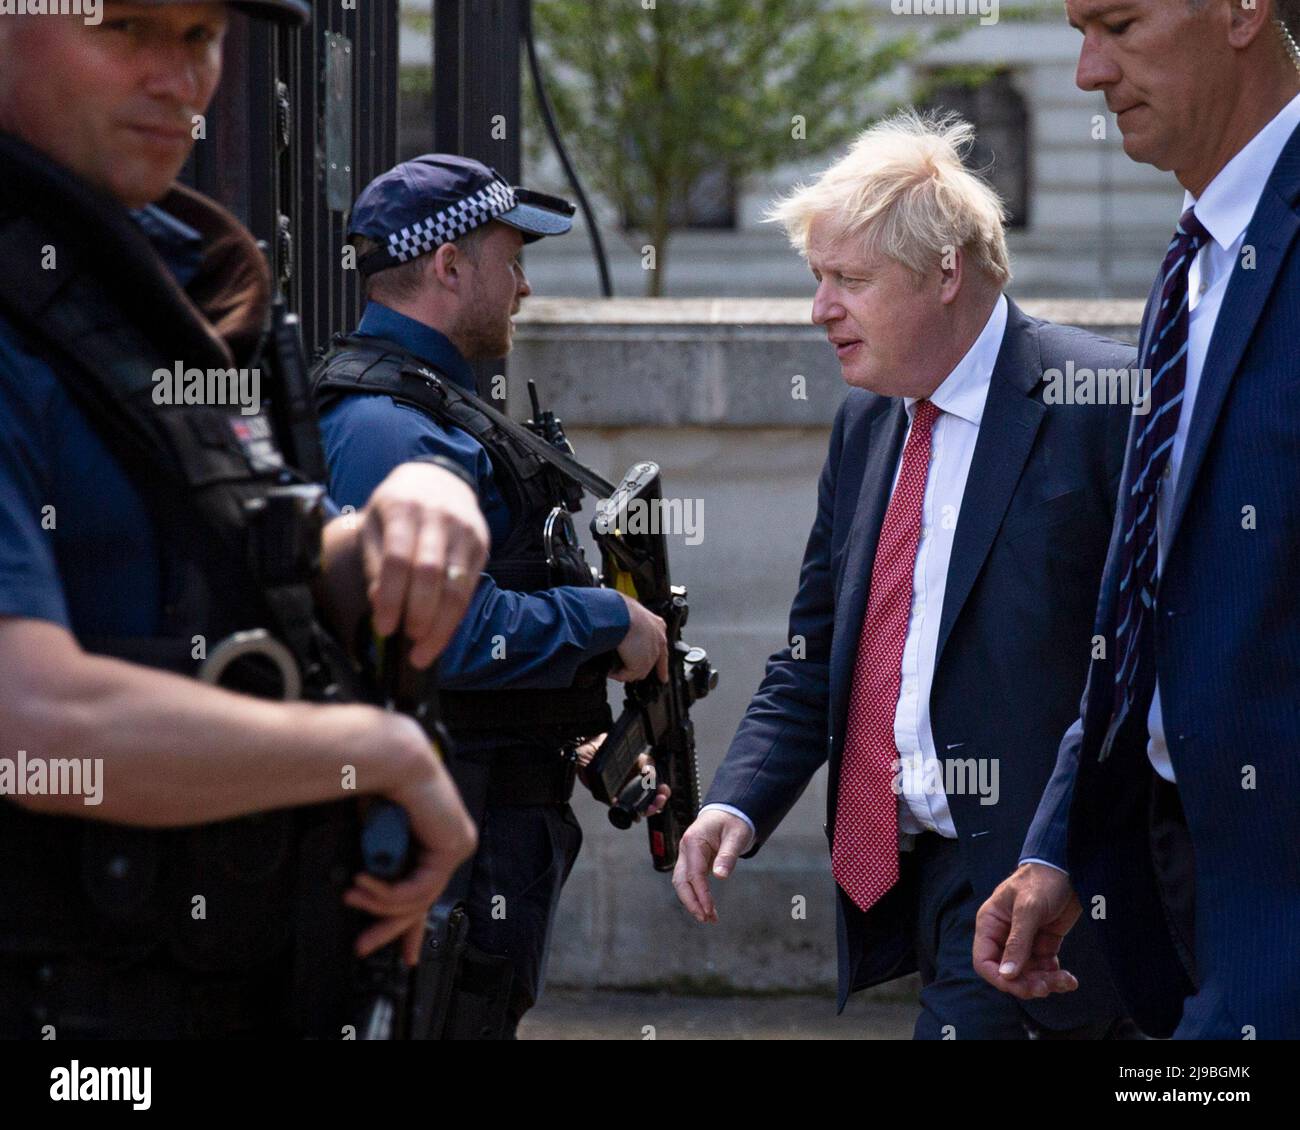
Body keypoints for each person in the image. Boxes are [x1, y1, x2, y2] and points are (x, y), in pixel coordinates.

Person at [0, 2, 489, 1038]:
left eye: (198, 37)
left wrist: (407, 515)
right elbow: (27, 725)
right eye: (123, 26)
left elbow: (239, 561)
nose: (176, 80)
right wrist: (375, 749)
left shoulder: (169, 273)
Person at [672, 112, 1138, 1039]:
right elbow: (815, 654)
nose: (819, 309)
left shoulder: (1103, 400)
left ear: (946, 272)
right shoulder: (869, 420)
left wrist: (1060, 851)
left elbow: (1136, 667)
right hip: (924, 878)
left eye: (848, 280)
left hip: (1056, 881)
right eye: (816, 279)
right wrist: (737, 797)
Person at [975, 0, 1300, 1040]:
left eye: (1117, 23)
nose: (1084, 73)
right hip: (1175, 897)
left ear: (1244, 9)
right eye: (1077, 28)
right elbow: (1146, 591)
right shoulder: (1195, 258)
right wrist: (1062, 839)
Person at [311, 154, 671, 1038]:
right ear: (448, 267)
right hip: (448, 841)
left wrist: (583, 733)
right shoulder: (388, 426)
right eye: (511, 260)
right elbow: (451, 630)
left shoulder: (437, 409)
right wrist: (608, 621)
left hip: (495, 818)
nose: (523, 285)